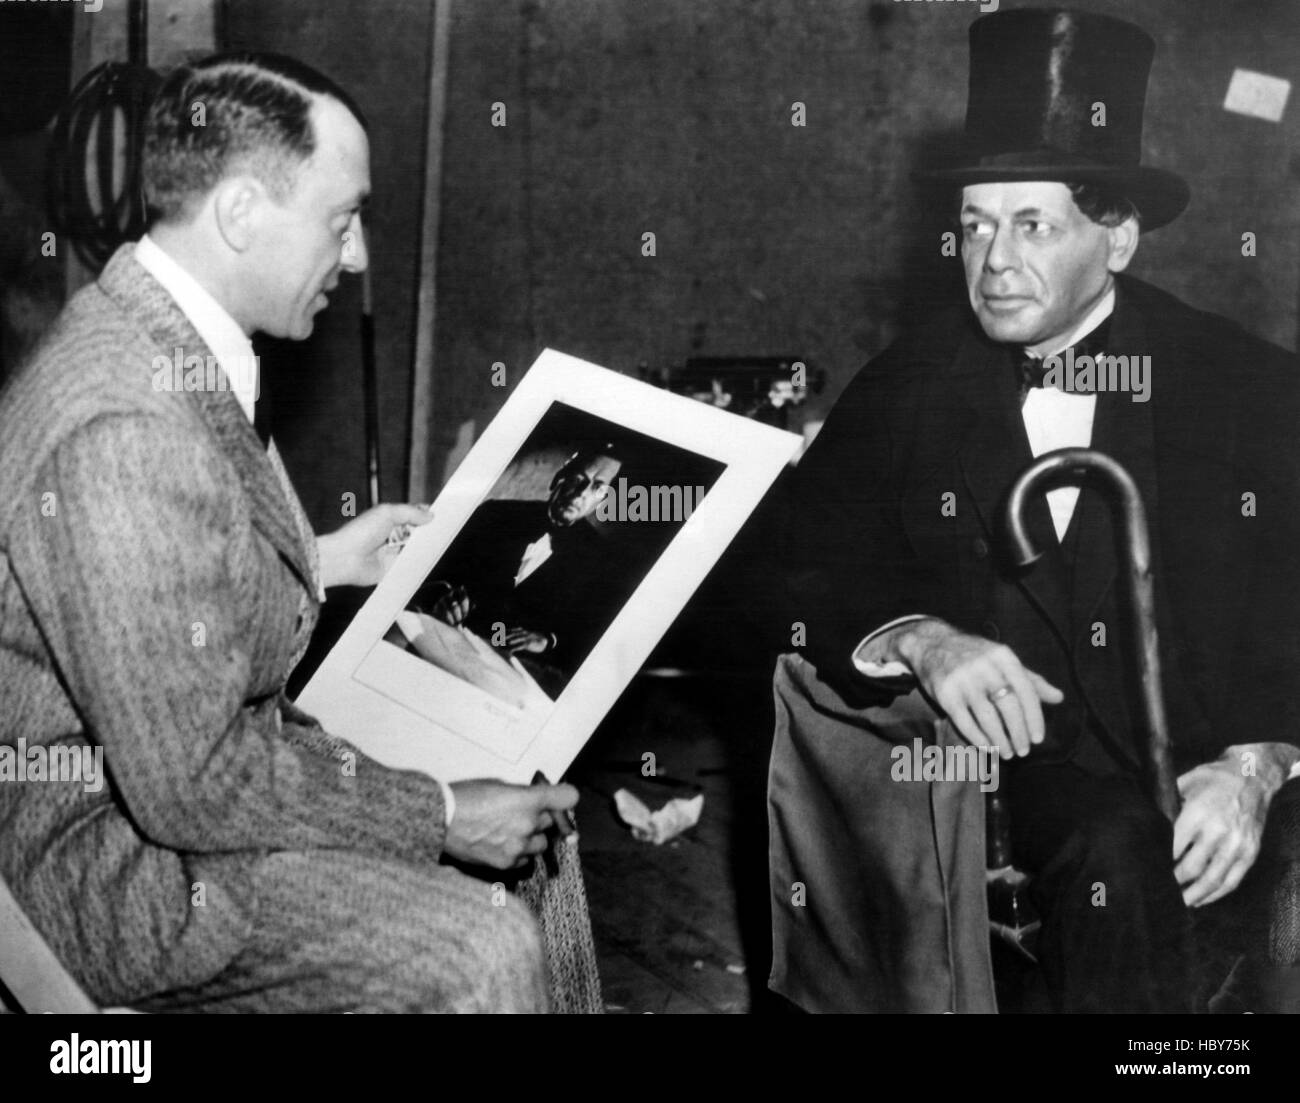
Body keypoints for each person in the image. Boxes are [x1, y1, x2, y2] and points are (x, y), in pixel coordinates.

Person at [0, 52, 579, 1012]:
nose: (354, 258)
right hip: (121, 875)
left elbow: (165, 586)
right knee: (484, 948)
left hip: (164, 796)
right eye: (342, 219)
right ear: (239, 214)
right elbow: (190, 783)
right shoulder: (123, 425)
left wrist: (320, 558)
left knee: (530, 814)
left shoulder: (164, 338)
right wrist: (435, 813)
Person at [768, 9, 1300, 1013]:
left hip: (1224, 762)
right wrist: (915, 635)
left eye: (1032, 225)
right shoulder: (908, 387)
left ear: (1121, 240)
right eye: (972, 226)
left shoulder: (1245, 386)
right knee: (1111, 859)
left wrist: (1259, 757)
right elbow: (780, 563)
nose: (992, 260)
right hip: (1019, 791)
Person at [422, 446, 629, 688]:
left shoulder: (599, 561)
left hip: (512, 675)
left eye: (597, 487)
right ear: (558, 479)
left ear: (601, 501)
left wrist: (547, 640)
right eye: (577, 479)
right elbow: (434, 572)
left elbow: (588, 637)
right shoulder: (493, 515)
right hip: (445, 642)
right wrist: (442, 597)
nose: (581, 493)